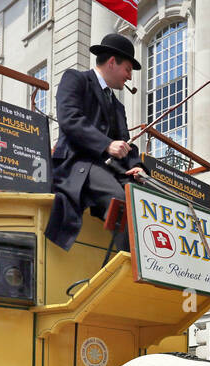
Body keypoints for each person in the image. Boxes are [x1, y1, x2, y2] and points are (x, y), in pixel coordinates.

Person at [44, 33, 148, 252]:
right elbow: (70, 119)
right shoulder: (76, 79)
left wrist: (136, 165)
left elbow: (125, 144)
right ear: (112, 62)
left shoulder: (117, 106)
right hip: (77, 165)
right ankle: (128, 266)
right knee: (120, 199)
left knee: (141, 199)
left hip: (108, 170)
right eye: (128, 69)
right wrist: (106, 145)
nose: (129, 77)